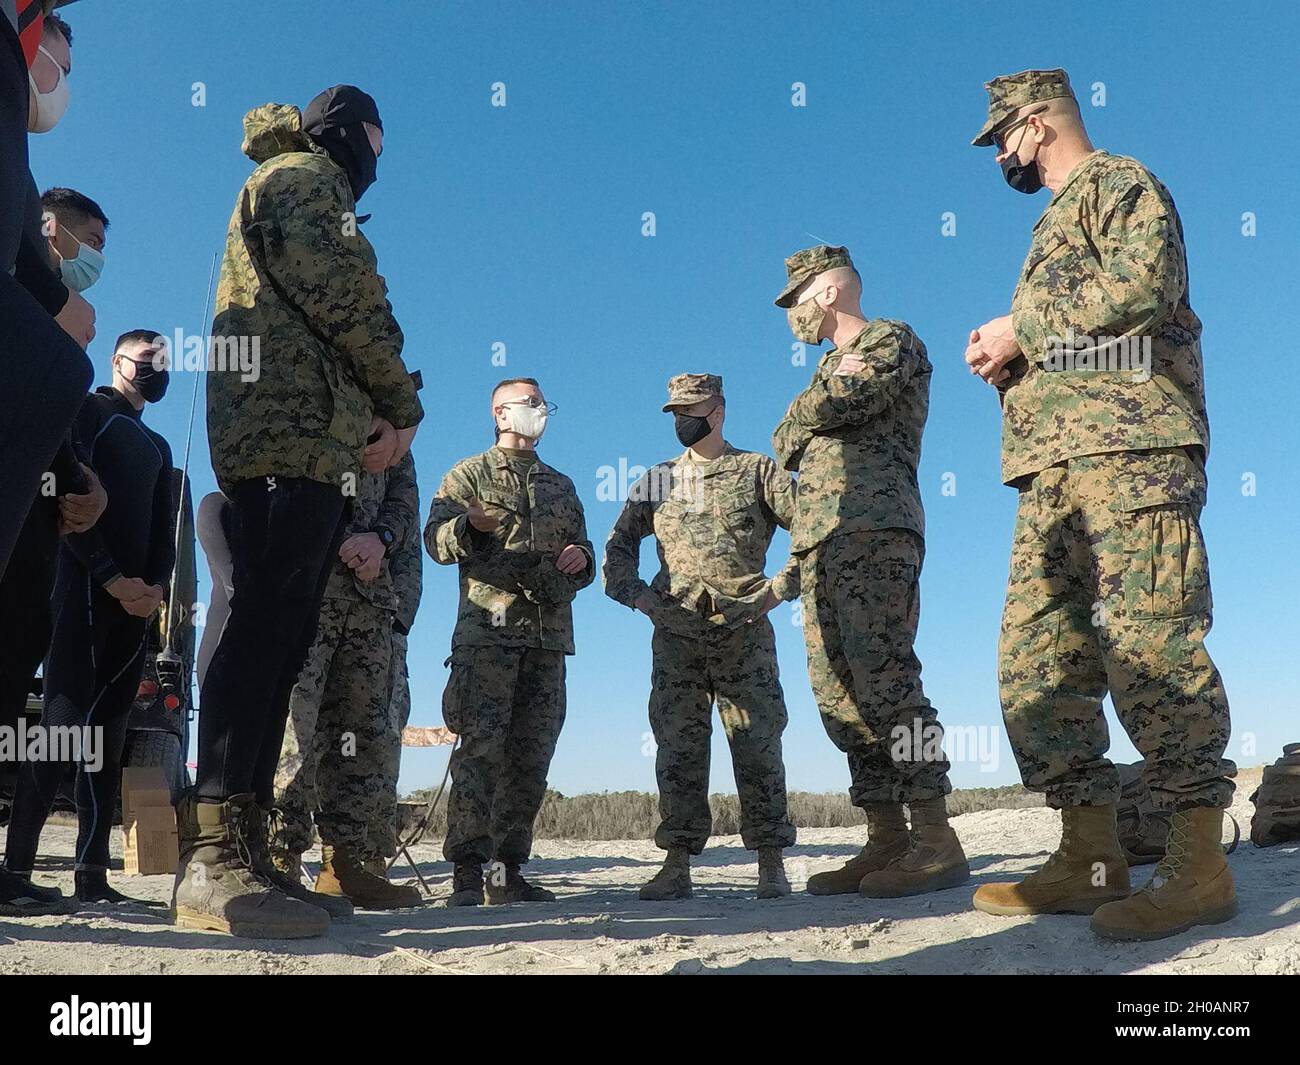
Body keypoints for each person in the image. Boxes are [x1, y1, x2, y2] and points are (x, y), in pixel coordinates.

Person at [964, 69, 1235, 941]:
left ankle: (1199, 864)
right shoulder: (1050, 226)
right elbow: (1080, 331)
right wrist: (1014, 365)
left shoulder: (1120, 184)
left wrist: (1019, 328)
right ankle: (1090, 856)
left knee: (1152, 643)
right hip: (1053, 472)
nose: (1000, 152)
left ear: (1038, 123)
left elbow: (1139, 291)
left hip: (1134, 455)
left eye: (1004, 135)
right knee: (1037, 662)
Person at [178, 84, 423, 939]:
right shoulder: (304, 177)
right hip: (282, 439)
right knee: (260, 635)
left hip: (305, 440)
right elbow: (346, 297)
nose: (378, 161)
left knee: (278, 640)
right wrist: (401, 402)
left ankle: (244, 845)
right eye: (378, 142)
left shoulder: (294, 180)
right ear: (349, 134)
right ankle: (211, 853)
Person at [772, 245, 969, 898]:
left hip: (876, 530)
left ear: (826, 293)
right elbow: (782, 443)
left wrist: (817, 403)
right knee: (838, 696)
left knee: (885, 676)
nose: (790, 316)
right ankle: (886, 836)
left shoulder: (892, 338)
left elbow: (851, 398)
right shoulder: (826, 368)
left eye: (794, 300)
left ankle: (935, 836)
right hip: (820, 542)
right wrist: (816, 401)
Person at [603, 373, 799, 900]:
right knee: (678, 747)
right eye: (673, 412)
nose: (681, 420)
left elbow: (813, 534)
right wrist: (642, 599)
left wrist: (779, 590)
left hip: (745, 629)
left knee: (758, 743)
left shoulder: (757, 470)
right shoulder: (656, 480)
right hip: (677, 634)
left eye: (691, 408)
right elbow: (617, 553)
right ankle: (677, 862)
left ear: (719, 409)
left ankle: (770, 860)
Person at [4, 330, 173, 905]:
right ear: (118, 361)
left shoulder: (160, 446)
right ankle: (18, 872)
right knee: (57, 735)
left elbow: (163, 528)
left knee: (107, 739)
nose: (156, 370)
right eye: (147, 360)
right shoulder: (88, 413)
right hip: (79, 594)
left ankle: (92, 877)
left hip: (134, 611)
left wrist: (154, 588)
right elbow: (67, 502)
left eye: (164, 362)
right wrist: (108, 577)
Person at [425, 377, 593, 907]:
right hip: (487, 639)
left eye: (544, 402)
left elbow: (583, 550)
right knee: (480, 754)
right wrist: (470, 526)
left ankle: (507, 870)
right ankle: (468, 876)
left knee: (531, 756)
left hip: (549, 641)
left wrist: (582, 560)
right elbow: (435, 541)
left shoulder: (561, 485)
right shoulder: (468, 474)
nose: (541, 411)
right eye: (531, 403)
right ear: (501, 414)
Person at [272, 449, 422, 910]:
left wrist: (381, 538)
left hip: (369, 601)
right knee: (293, 730)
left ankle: (343, 866)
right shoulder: (301, 397)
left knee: (362, 734)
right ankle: (279, 859)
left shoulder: (389, 430)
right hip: (300, 590)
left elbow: (403, 502)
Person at [363, 450, 423, 877]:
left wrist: (399, 618)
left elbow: (409, 532)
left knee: (380, 738)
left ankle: (363, 857)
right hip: (309, 609)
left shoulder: (395, 444)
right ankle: (283, 854)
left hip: (381, 620)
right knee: (300, 738)